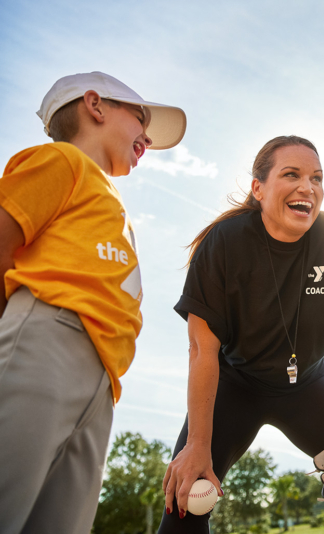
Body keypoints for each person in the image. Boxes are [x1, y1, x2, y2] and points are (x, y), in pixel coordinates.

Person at [158, 135, 324, 534]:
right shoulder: (224, 242)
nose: (308, 187)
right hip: (235, 383)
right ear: (258, 188)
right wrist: (198, 445)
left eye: (317, 178)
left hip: (307, 383)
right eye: (291, 174)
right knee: (186, 495)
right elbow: (202, 349)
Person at [0, 71, 186, 534]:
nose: (146, 136)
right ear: (95, 106)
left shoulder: (108, 197)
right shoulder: (61, 161)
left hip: (102, 379)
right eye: (139, 118)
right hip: (46, 339)